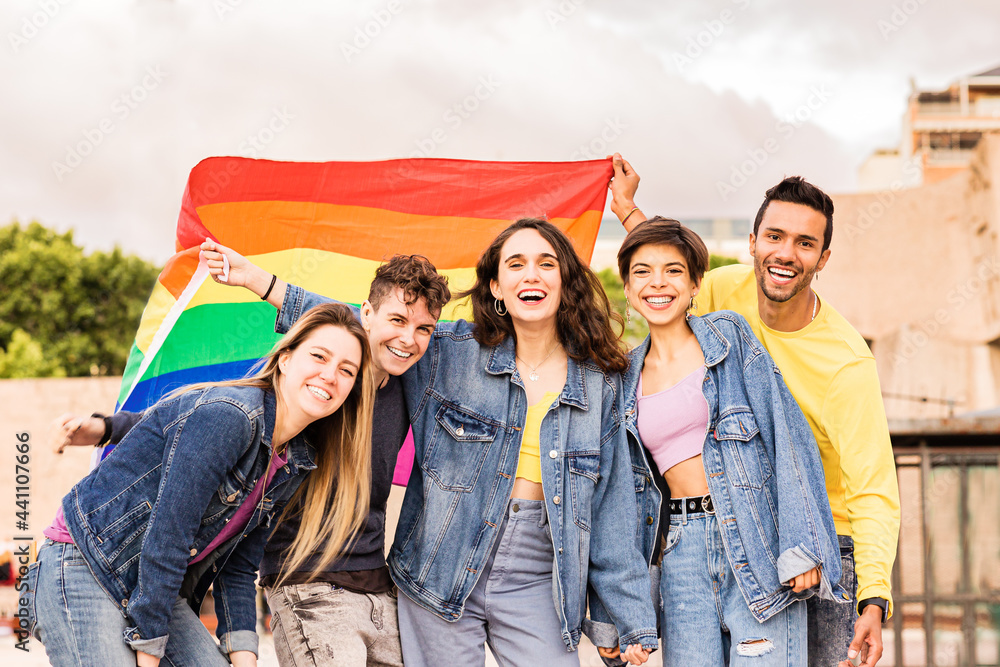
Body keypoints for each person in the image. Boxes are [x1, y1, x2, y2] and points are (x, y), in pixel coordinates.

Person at [199, 218, 658, 666]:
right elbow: (363, 329)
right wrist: (260, 281)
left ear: (565, 280)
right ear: (496, 286)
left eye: (546, 263)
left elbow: (612, 507)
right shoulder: (450, 354)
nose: (531, 274)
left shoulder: (600, 383)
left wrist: (631, 618)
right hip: (438, 567)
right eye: (515, 263)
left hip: (537, 579)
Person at [49, 254, 452, 667]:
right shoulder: (276, 401)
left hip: (352, 574)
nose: (409, 338)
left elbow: (239, 562)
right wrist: (108, 427)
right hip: (100, 556)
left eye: (424, 329)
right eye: (399, 321)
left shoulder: (315, 442)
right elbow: (199, 419)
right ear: (288, 356)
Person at [609, 155, 901, 667]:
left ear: (823, 259)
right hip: (726, 527)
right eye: (775, 237)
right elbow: (667, 278)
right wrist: (630, 212)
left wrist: (873, 595)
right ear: (753, 242)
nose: (786, 253)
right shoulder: (725, 293)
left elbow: (873, 486)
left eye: (805, 244)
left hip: (828, 542)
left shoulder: (846, 362)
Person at [26, 302, 376, 667]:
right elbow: (168, 539)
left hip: (152, 586)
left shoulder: (296, 459)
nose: (330, 376)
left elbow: (239, 567)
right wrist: (150, 654)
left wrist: (244, 659)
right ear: (286, 358)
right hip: (85, 565)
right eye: (319, 356)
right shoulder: (231, 416)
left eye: (346, 370)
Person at [591, 217, 843, 666]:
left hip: (755, 541)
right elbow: (616, 503)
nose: (658, 283)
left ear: (694, 284)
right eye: (642, 272)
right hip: (680, 552)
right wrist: (618, 617)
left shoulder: (729, 337)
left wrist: (801, 544)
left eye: (673, 270)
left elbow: (787, 434)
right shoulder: (620, 379)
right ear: (627, 290)